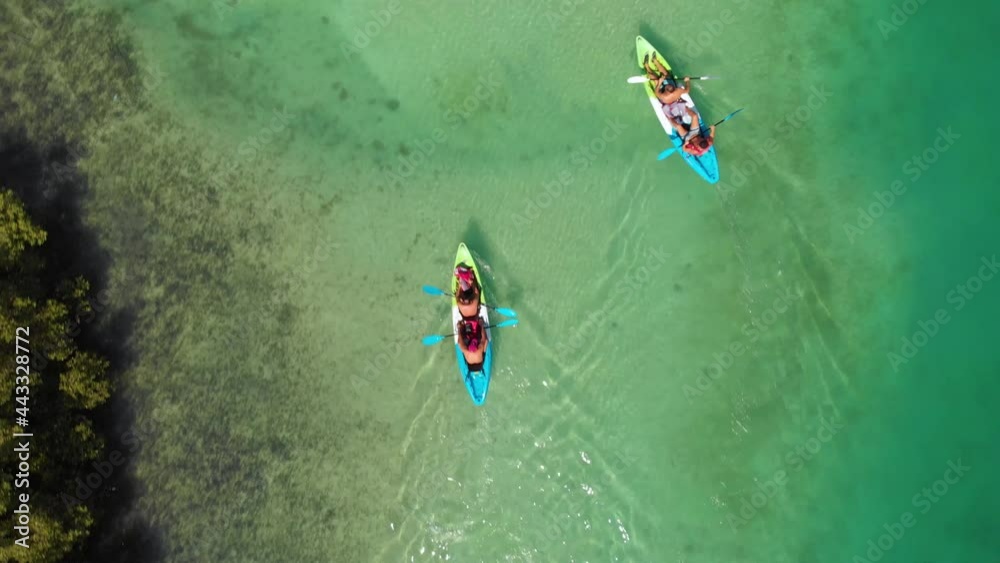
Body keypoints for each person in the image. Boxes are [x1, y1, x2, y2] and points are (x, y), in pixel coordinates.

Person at [643, 53, 693, 136]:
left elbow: (656, 91)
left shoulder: (664, 96)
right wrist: (687, 81)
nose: (668, 85)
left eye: (668, 86)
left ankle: (646, 66)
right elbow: (687, 90)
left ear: (666, 90)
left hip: (665, 98)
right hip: (673, 99)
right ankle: (655, 61)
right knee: (666, 75)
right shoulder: (678, 91)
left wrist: (659, 82)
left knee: (655, 79)